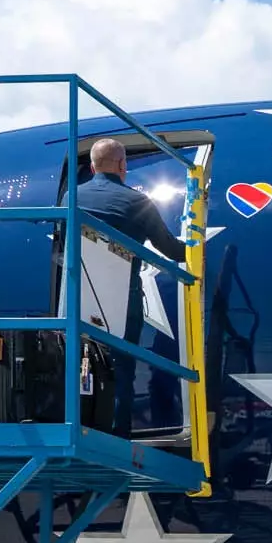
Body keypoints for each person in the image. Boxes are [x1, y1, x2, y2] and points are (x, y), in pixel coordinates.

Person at [77, 137, 186, 434]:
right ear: (123, 165)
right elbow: (171, 249)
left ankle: (84, 426)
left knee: (80, 363)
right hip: (121, 300)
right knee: (120, 369)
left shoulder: (70, 198)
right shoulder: (137, 202)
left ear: (92, 166)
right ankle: (117, 436)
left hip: (77, 296)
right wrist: (199, 251)